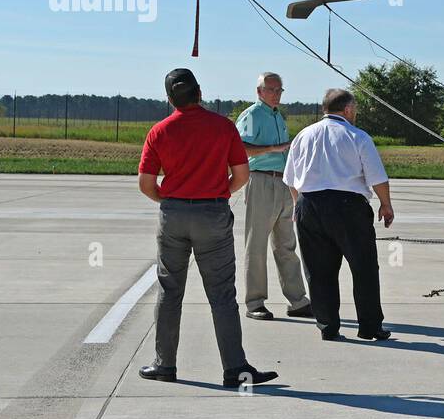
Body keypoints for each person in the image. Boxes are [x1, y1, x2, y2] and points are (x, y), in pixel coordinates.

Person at [136, 68, 279, 388]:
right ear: (199, 92)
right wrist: (218, 195)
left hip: (173, 214)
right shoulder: (222, 127)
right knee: (222, 295)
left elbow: (146, 183)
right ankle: (234, 369)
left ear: (170, 99)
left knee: (170, 290)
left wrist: (169, 200)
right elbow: (241, 174)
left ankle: (164, 364)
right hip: (212, 213)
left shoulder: (159, 131)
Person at [283, 88, 394, 342]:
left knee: (319, 270)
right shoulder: (357, 136)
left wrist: (297, 207)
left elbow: (290, 178)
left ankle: (327, 326)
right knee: (363, 267)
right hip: (348, 206)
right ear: (348, 109)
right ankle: (369, 326)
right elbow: (377, 177)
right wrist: (386, 205)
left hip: (308, 204)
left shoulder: (303, 135)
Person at [235, 72, 313, 321]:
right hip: (261, 181)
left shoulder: (278, 115)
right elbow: (239, 149)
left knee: (286, 245)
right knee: (256, 244)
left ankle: (297, 300)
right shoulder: (252, 115)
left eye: (280, 90)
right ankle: (255, 302)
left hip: (283, 182)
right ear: (259, 91)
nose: (277, 94)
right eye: (272, 90)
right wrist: (272, 148)